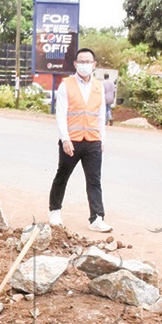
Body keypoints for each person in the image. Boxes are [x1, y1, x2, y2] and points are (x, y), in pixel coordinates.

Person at [49, 48, 112, 232]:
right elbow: (60, 115)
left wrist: (102, 140)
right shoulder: (65, 85)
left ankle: (97, 218)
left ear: (94, 65)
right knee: (62, 175)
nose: (84, 65)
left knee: (94, 180)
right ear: (75, 64)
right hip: (72, 141)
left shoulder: (98, 87)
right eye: (81, 61)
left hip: (92, 140)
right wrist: (65, 139)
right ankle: (54, 211)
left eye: (88, 62)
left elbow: (101, 116)